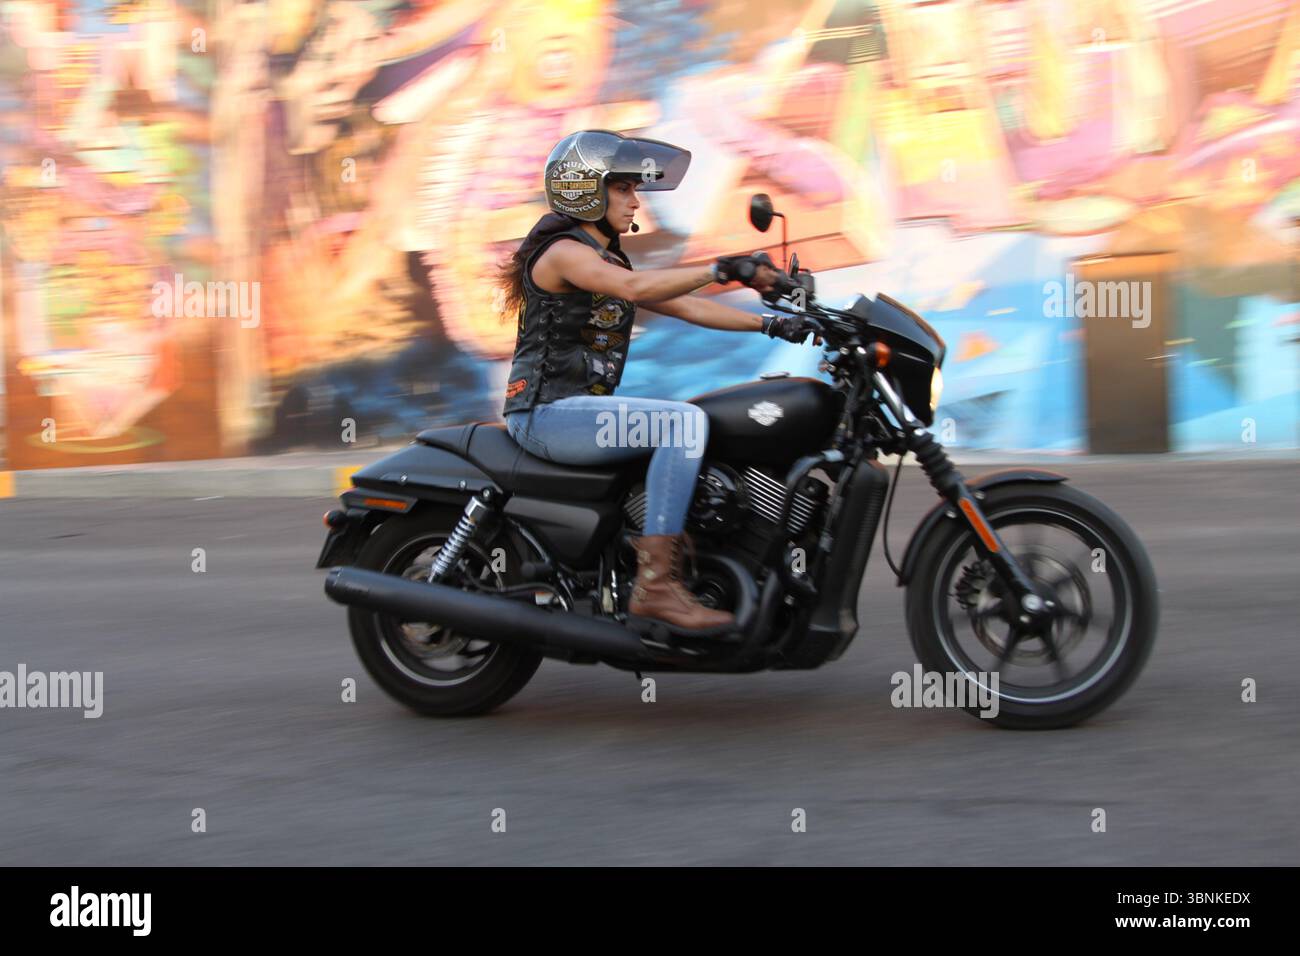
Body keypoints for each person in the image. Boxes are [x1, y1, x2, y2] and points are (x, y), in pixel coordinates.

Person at [496, 130, 810, 635]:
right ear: (586, 190)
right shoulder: (561, 253)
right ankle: (657, 587)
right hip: (546, 413)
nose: (634, 200)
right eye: (622, 188)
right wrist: (721, 267)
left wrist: (773, 323)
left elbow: (684, 305)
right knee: (682, 424)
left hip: (577, 415)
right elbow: (634, 288)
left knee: (696, 427)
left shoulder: (607, 260)